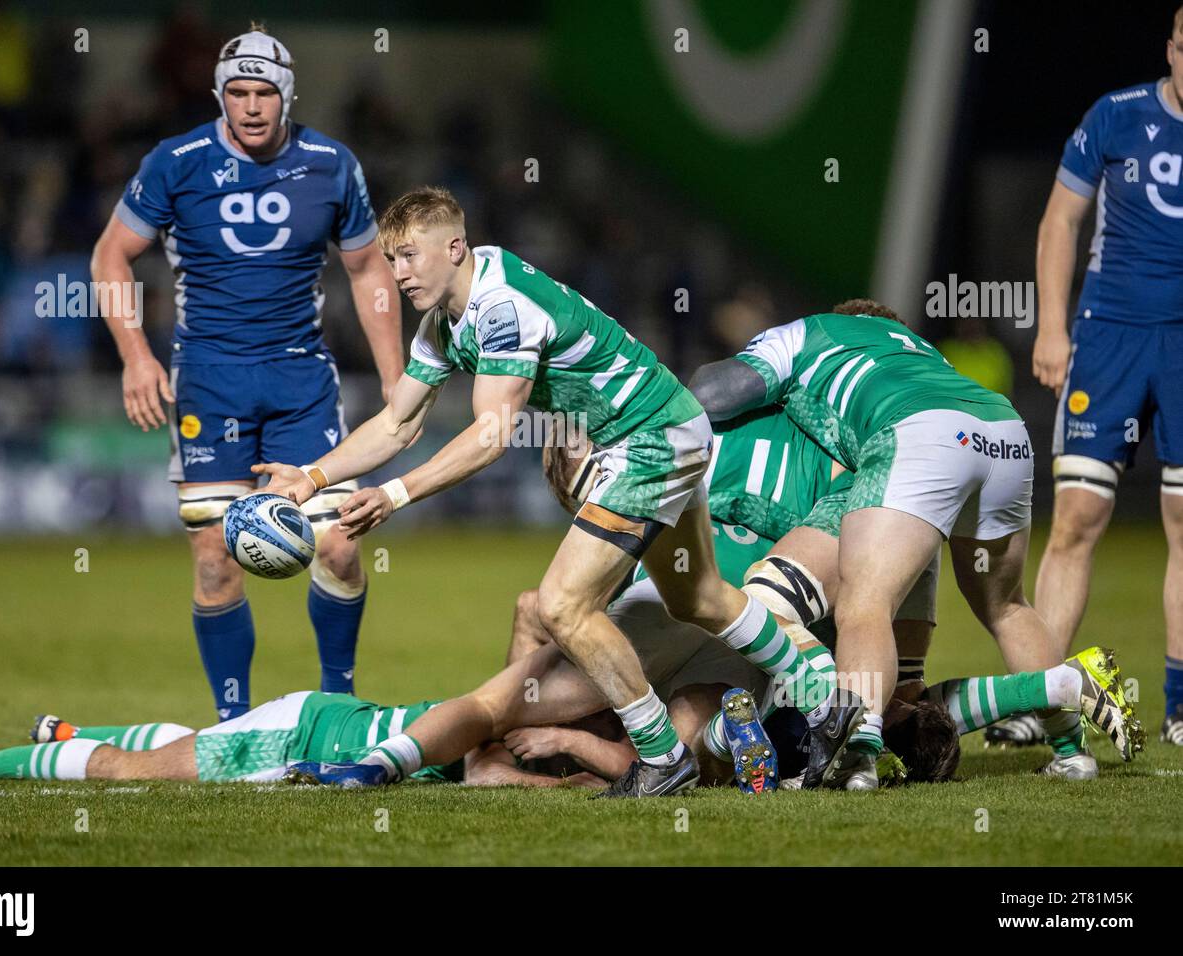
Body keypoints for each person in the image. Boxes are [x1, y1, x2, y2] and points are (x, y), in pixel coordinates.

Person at [254, 186, 835, 798]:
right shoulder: (445, 323)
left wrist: (394, 496)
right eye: (391, 259)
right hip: (669, 426)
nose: (398, 273)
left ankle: (663, 755)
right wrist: (314, 476)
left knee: (561, 605)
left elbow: (492, 434)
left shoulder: (501, 307)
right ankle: (824, 697)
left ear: (454, 248)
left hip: (649, 439)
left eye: (408, 256)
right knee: (700, 599)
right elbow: (398, 421)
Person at [689, 300, 1143, 786]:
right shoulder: (921, 352)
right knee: (1007, 607)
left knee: (864, 603)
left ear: (852, 318)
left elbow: (712, 392)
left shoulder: (810, 331)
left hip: (914, 436)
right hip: (1001, 429)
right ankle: (1072, 753)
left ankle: (858, 758)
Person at [90, 25, 402, 718]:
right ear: (218, 96)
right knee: (213, 559)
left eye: (265, 92)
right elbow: (111, 256)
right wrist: (136, 357)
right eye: (238, 92)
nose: (252, 106)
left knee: (342, 547)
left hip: (301, 386)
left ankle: (338, 707)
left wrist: (394, 379)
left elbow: (367, 267)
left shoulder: (331, 163)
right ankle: (233, 723)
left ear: (287, 95)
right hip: (209, 381)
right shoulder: (176, 162)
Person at [1026, 4, 1183, 749]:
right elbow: (1061, 221)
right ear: (1171, 48)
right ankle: (1037, 700)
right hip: (1109, 340)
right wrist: (1052, 327)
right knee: (1078, 520)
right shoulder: (1114, 116)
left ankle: (1181, 707)